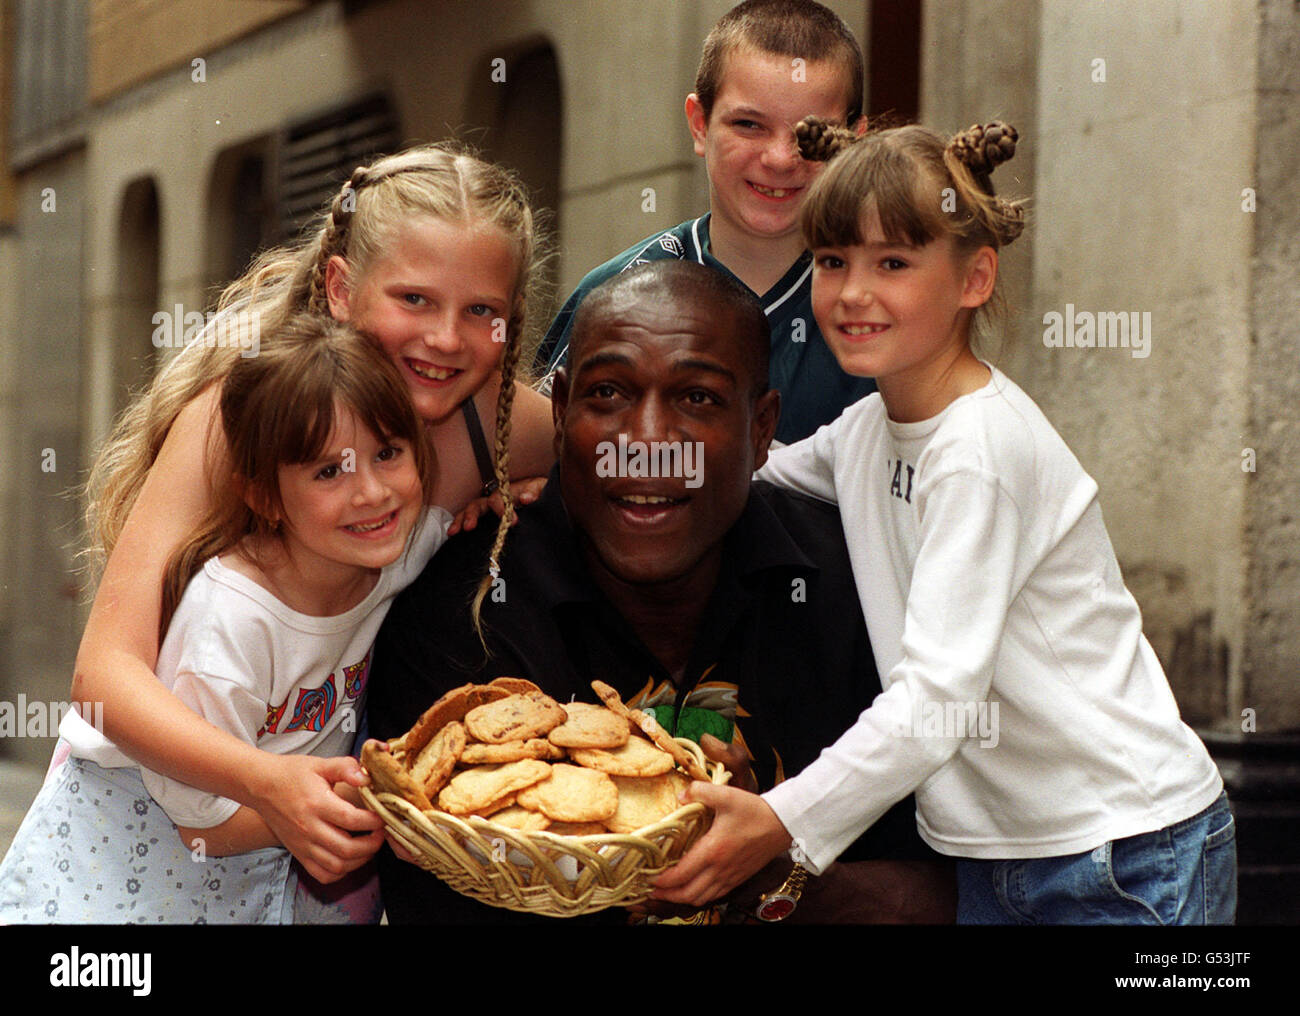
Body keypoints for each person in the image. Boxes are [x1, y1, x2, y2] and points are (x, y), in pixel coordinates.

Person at [653, 119, 1236, 925]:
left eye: (893, 261)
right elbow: (750, 473)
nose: (854, 290)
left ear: (974, 278)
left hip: (1123, 852)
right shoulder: (869, 428)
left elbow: (935, 701)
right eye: (832, 261)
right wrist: (577, 465)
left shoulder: (977, 448)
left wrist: (785, 819)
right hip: (995, 859)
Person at [367, 261, 954, 924]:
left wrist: (779, 864)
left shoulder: (860, 584)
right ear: (559, 413)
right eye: (609, 394)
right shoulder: (465, 615)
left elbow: (961, 891)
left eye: (698, 398)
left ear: (762, 428)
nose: (646, 444)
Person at [69, 143, 554, 888]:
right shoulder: (243, 418)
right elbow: (103, 677)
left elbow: (626, 461)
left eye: (481, 311)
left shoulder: (489, 421)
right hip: (146, 821)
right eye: (414, 299)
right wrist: (264, 781)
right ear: (340, 288)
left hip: (321, 820)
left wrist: (535, 491)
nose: (446, 338)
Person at [0, 316, 449, 922]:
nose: (372, 491)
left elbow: (455, 517)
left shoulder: (394, 544)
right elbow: (197, 820)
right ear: (263, 496)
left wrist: (508, 497)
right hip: (118, 861)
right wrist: (346, 820)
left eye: (388, 453)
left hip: (237, 866)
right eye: (328, 471)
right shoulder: (233, 621)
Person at [535, 0, 876, 445]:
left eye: (809, 133)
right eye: (749, 125)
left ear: (854, 141)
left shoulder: (882, 304)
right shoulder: (618, 290)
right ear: (699, 125)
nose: (778, 159)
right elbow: (541, 448)